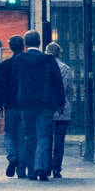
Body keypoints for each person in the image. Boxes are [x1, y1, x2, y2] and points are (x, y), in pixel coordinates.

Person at [13, 30, 66, 181]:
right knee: (43, 136)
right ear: (40, 42)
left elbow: (15, 79)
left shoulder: (19, 59)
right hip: (45, 103)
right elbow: (58, 83)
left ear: (25, 43)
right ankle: (41, 168)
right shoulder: (48, 60)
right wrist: (60, 102)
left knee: (29, 137)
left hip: (26, 104)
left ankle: (31, 171)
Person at [0, 35, 30, 179]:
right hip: (25, 105)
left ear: (10, 47)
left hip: (10, 106)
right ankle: (21, 171)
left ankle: (12, 156)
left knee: (9, 134)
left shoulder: (5, 65)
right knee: (22, 138)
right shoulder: (28, 63)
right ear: (23, 45)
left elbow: (0, 86)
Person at [45, 41, 74, 178]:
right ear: (59, 53)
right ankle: (57, 168)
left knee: (47, 138)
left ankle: (46, 166)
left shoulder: (43, 68)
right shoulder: (66, 68)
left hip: (47, 108)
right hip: (63, 108)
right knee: (60, 140)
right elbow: (69, 89)